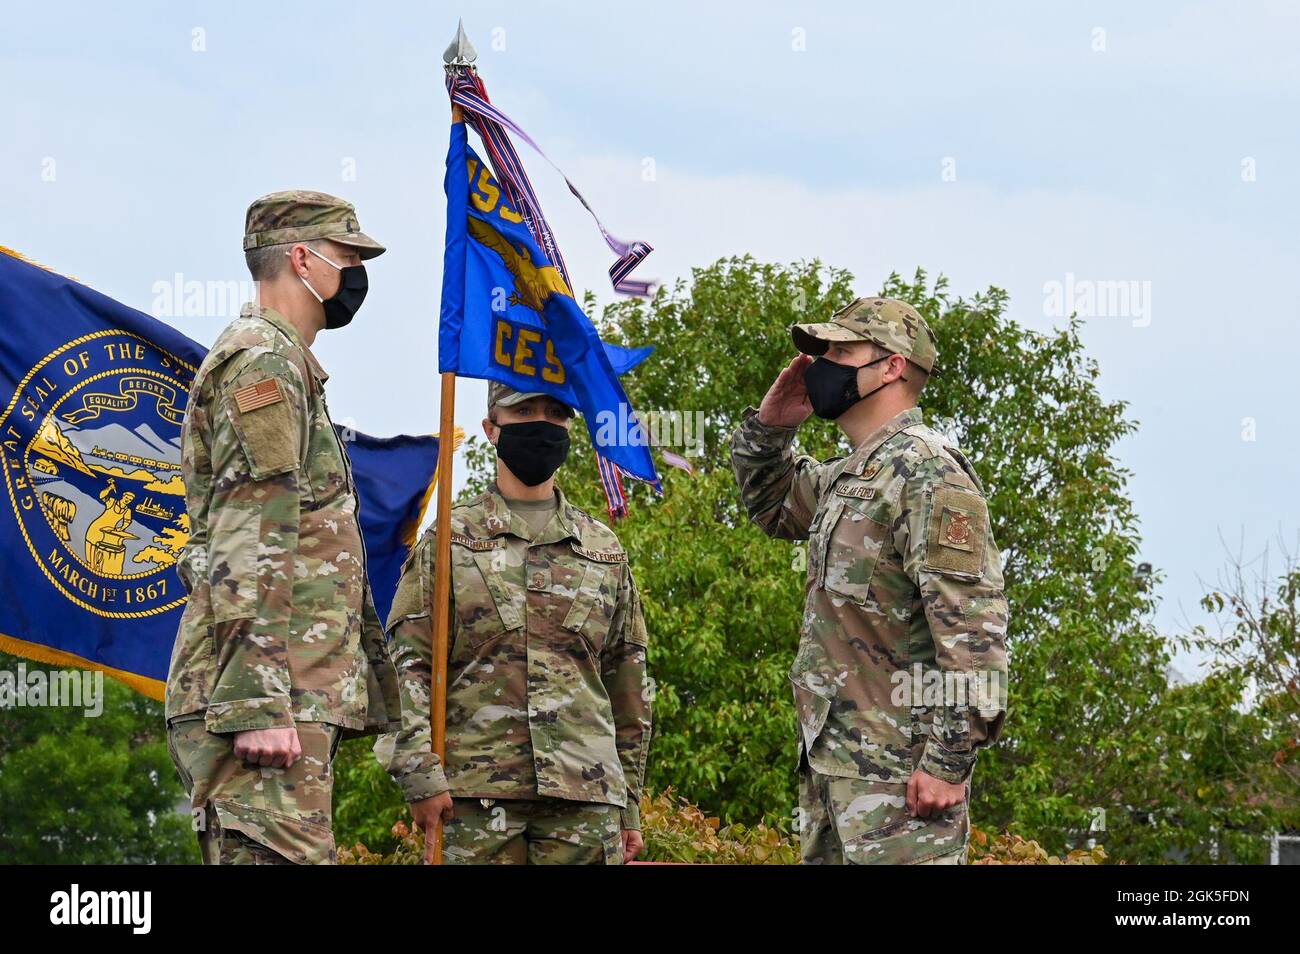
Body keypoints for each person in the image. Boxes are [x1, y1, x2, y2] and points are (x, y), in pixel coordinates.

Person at [164, 190, 401, 864]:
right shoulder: (264, 363)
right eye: (349, 256)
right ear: (302, 258)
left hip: (290, 692)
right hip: (266, 698)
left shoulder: (286, 364)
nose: (356, 273)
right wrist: (258, 701)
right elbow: (252, 535)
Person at [730, 296, 1009, 864]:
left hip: (903, 782)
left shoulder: (926, 471)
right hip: (837, 768)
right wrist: (771, 427)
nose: (820, 366)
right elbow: (772, 505)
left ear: (892, 366)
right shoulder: (853, 474)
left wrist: (947, 764)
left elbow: (974, 635)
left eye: (840, 351)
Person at [377, 381, 651, 864]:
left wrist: (628, 804)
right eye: (523, 411)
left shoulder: (604, 549)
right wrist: (418, 771)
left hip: (585, 798)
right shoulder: (450, 539)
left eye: (554, 413)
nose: (541, 424)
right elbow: (406, 666)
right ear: (491, 428)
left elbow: (628, 686)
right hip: (475, 800)